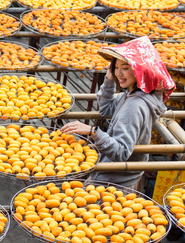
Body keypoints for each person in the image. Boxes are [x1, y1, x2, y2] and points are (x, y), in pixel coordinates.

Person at [59, 36, 174, 190]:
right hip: (122, 177)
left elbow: (121, 152)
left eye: (125, 68)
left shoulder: (134, 106)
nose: (119, 73)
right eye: (116, 67)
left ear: (140, 71)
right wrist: (109, 80)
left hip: (114, 183)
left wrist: (93, 132)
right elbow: (106, 109)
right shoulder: (134, 95)